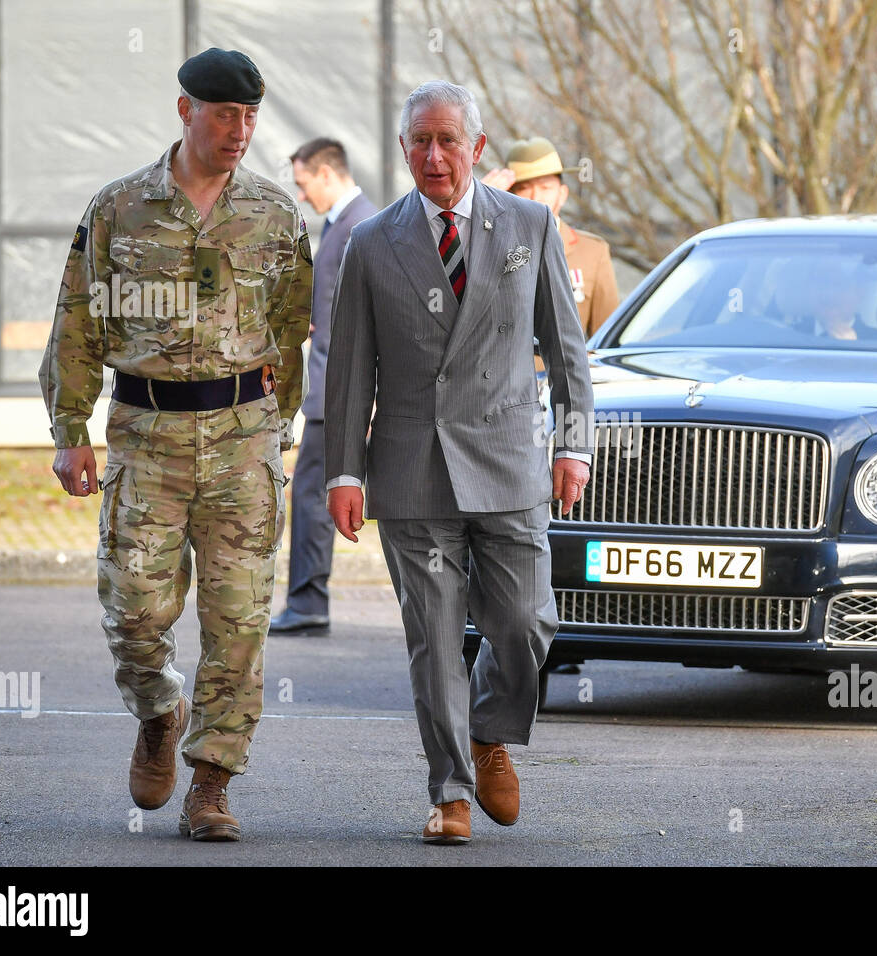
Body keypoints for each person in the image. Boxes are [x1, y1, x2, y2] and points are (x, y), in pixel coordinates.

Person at [38, 48, 312, 843]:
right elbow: (77, 324)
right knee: (132, 613)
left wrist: (278, 431)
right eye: (225, 114)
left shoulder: (276, 214)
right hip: (145, 436)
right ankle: (159, 711)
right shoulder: (119, 208)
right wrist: (69, 431)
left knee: (239, 624)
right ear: (185, 110)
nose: (240, 131)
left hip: (242, 442)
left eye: (251, 117)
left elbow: (294, 332)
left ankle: (212, 786)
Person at [323, 80, 595, 844]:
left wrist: (573, 444)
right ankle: (449, 792)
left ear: (477, 149)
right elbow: (349, 369)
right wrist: (344, 473)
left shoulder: (531, 226)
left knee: (524, 622)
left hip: (509, 462)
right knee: (435, 637)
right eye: (419, 141)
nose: (433, 155)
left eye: (448, 141)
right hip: (412, 468)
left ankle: (488, 729)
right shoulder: (373, 243)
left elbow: (567, 353)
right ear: (404, 147)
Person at [268, 138, 377, 636]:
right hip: (332, 390)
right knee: (315, 493)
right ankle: (309, 598)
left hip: (341, 393)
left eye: (303, 182)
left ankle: (310, 600)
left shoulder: (358, 226)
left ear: (327, 174)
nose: (301, 193)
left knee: (313, 494)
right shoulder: (343, 224)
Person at [482, 136, 619, 338]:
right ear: (506, 195)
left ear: (562, 194)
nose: (536, 198)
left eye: (545, 187)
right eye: (524, 188)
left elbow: (606, 338)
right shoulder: (484, 246)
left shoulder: (593, 252)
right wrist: (480, 207)